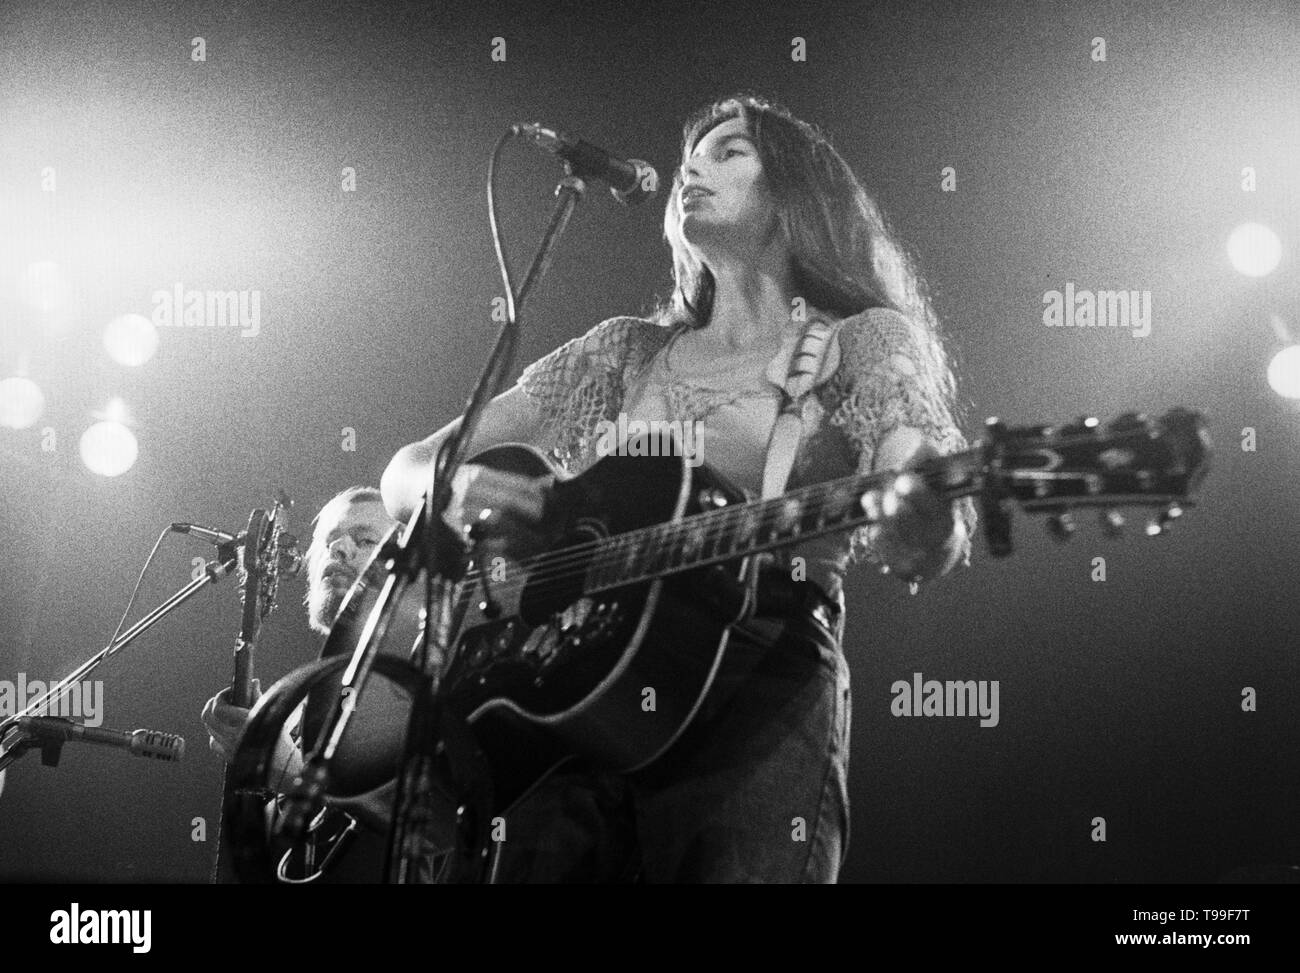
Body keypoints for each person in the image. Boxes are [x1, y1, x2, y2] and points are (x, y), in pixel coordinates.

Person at [381, 93, 979, 883]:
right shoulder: (622, 353)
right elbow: (409, 467)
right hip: (572, 703)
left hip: (757, 688)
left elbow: (922, 490)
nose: (693, 165)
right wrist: (464, 494)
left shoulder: (861, 340)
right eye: (691, 155)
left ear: (796, 194)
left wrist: (922, 509)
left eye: (731, 151)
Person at [201, 485, 400, 880]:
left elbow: (424, 834)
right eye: (330, 542)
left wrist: (289, 773)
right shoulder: (299, 710)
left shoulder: (424, 688)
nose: (340, 548)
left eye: (365, 540)